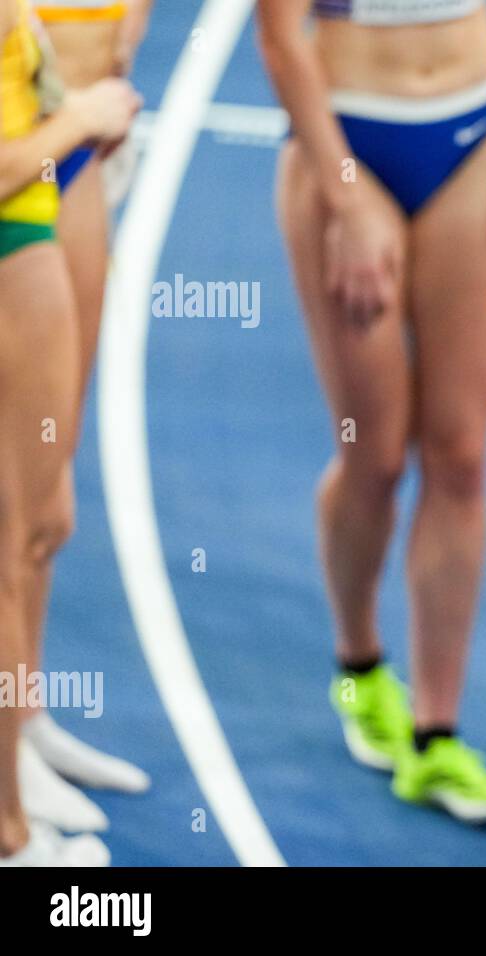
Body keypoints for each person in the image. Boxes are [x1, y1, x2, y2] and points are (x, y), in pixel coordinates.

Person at [256, 0, 486, 824]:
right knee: (376, 455)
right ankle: (359, 666)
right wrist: (345, 198)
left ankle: (436, 736)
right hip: (348, 141)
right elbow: (279, 35)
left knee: (460, 454)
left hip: (468, 138)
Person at [0, 0, 139, 866]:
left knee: (43, 523)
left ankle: (19, 748)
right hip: (21, 200)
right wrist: (79, 118)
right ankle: (10, 833)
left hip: (35, 197)